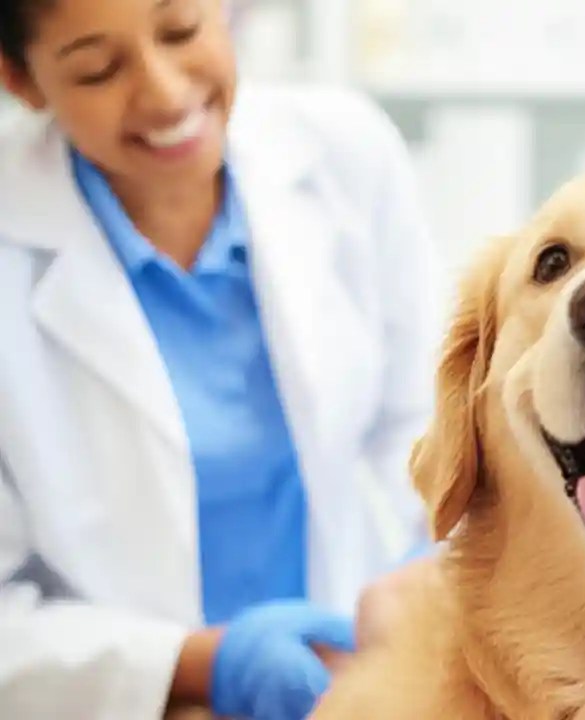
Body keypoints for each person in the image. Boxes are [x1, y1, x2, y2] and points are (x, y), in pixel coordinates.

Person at [0, 0, 442, 718]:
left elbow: (428, 432)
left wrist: (422, 585)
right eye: (98, 69)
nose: (166, 92)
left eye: (182, 32)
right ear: (21, 79)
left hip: (362, 686)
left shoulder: (346, 154)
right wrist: (207, 664)